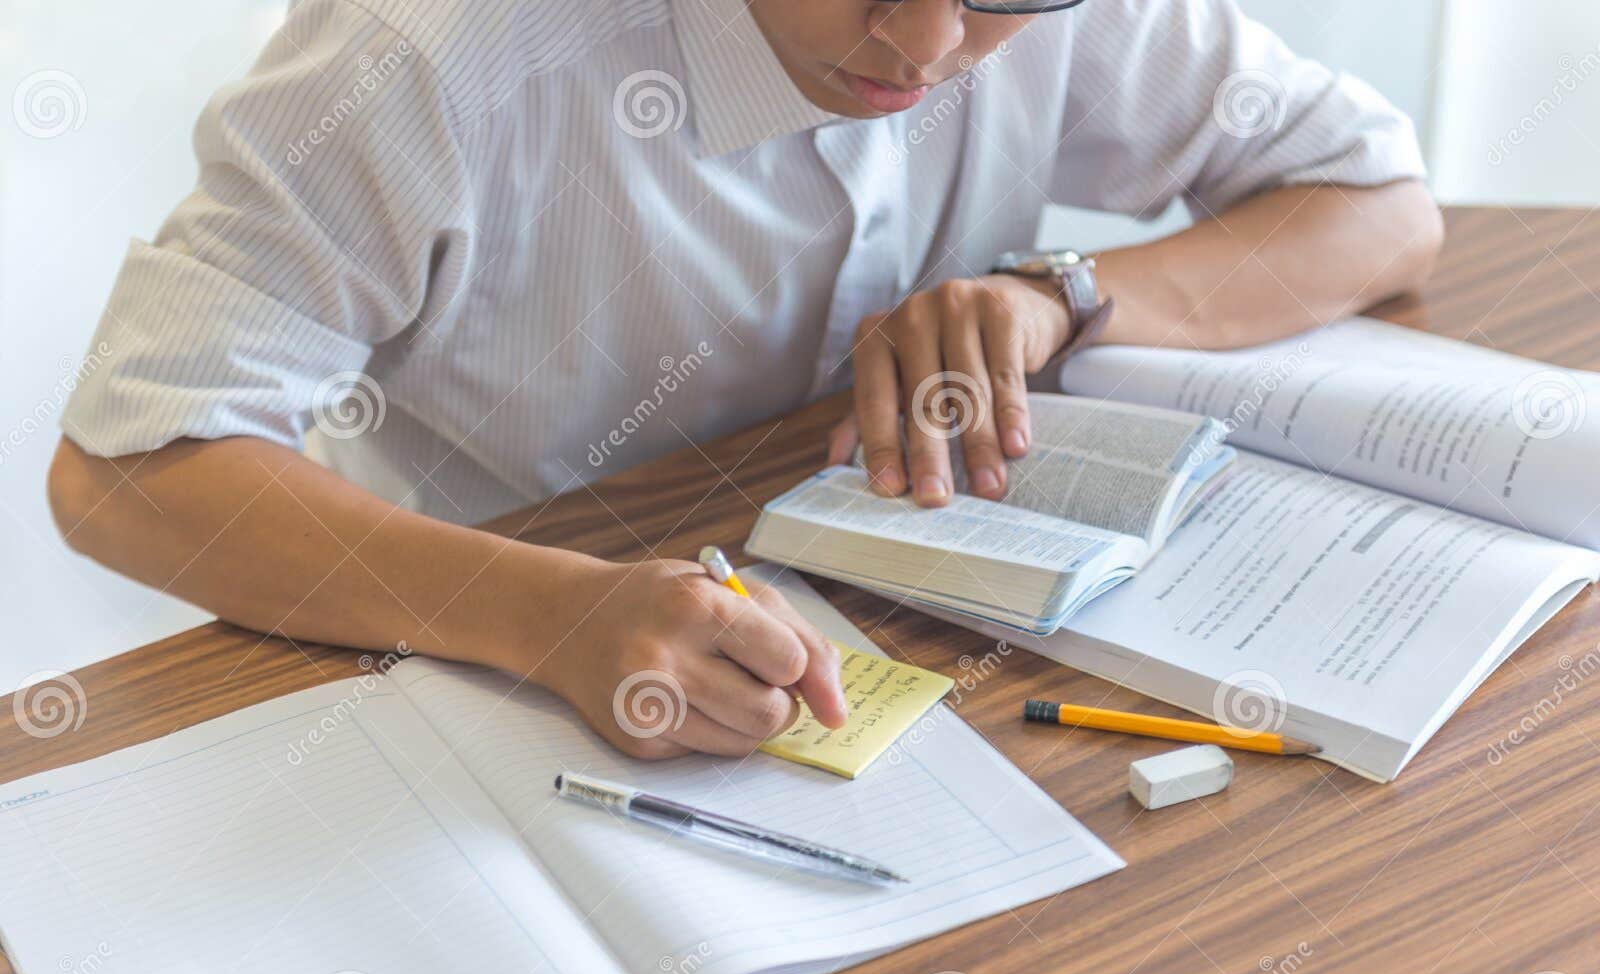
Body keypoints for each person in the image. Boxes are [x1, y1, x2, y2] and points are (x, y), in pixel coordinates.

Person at [47, 0, 1443, 758]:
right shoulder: (424, 46)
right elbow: (127, 465)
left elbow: (1383, 201)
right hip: (467, 666)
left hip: (909, 652)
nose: (926, 45)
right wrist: (552, 613)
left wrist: (1059, 297)